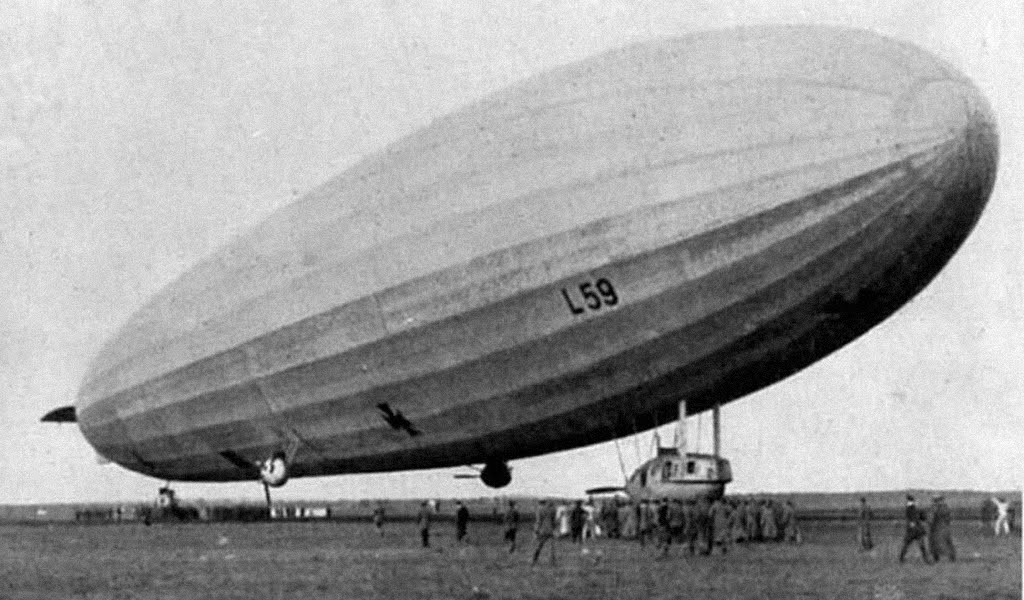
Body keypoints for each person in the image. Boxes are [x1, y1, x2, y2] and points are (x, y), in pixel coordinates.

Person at [898, 495, 932, 564]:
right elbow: (923, 518)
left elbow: (912, 519)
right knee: (922, 546)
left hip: (912, 530)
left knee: (906, 544)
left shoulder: (908, 509)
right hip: (918, 530)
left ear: (908, 501)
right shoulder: (917, 508)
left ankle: (901, 559)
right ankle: (927, 560)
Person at [929, 495, 956, 562]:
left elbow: (931, 518)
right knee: (947, 542)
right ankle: (952, 556)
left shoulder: (935, 508)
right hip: (945, 527)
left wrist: (930, 524)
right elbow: (949, 518)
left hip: (937, 528)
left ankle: (936, 558)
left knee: (935, 543)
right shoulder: (946, 507)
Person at [532, 499, 558, 565]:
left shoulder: (539, 509)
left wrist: (536, 531)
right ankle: (552, 561)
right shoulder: (552, 509)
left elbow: (538, 521)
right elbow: (554, 521)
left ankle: (534, 559)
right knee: (551, 547)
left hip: (542, 530)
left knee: (539, 545)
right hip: (550, 530)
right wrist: (554, 529)